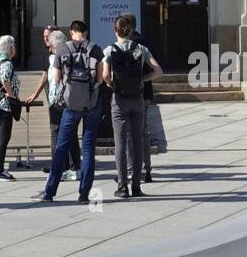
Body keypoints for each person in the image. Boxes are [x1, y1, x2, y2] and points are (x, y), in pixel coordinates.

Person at [38, 21, 104, 203]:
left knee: (61, 148)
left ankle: (50, 192)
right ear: (86, 32)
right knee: (89, 148)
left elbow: (57, 79)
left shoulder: (62, 49)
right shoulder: (96, 49)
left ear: (71, 32)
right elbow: (100, 78)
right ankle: (84, 194)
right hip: (92, 104)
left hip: (70, 105)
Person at [101, 15, 162, 198]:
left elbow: (104, 75)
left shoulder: (110, 50)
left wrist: (112, 84)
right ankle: (136, 186)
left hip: (119, 100)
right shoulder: (141, 49)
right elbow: (158, 71)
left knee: (120, 143)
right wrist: (141, 79)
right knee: (137, 141)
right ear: (130, 30)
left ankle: (122, 186)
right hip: (137, 98)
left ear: (115, 30)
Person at [27, 28, 77, 180]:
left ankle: (59, 168)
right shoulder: (73, 55)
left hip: (57, 101)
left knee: (56, 133)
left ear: (56, 45)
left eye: (50, 43)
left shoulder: (54, 58)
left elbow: (54, 80)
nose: (48, 46)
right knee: (71, 133)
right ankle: (74, 168)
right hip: (71, 100)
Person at [123, 14, 165, 178]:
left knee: (128, 133)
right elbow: (157, 69)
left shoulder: (122, 45)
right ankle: (146, 168)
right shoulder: (145, 42)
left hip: (126, 93)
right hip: (144, 91)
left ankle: (132, 169)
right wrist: (143, 79)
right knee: (143, 131)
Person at [0, 34, 23, 181]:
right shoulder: (6, 63)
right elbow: (6, 79)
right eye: (14, 45)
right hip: (4, 106)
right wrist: (11, 94)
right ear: (11, 48)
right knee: (3, 138)